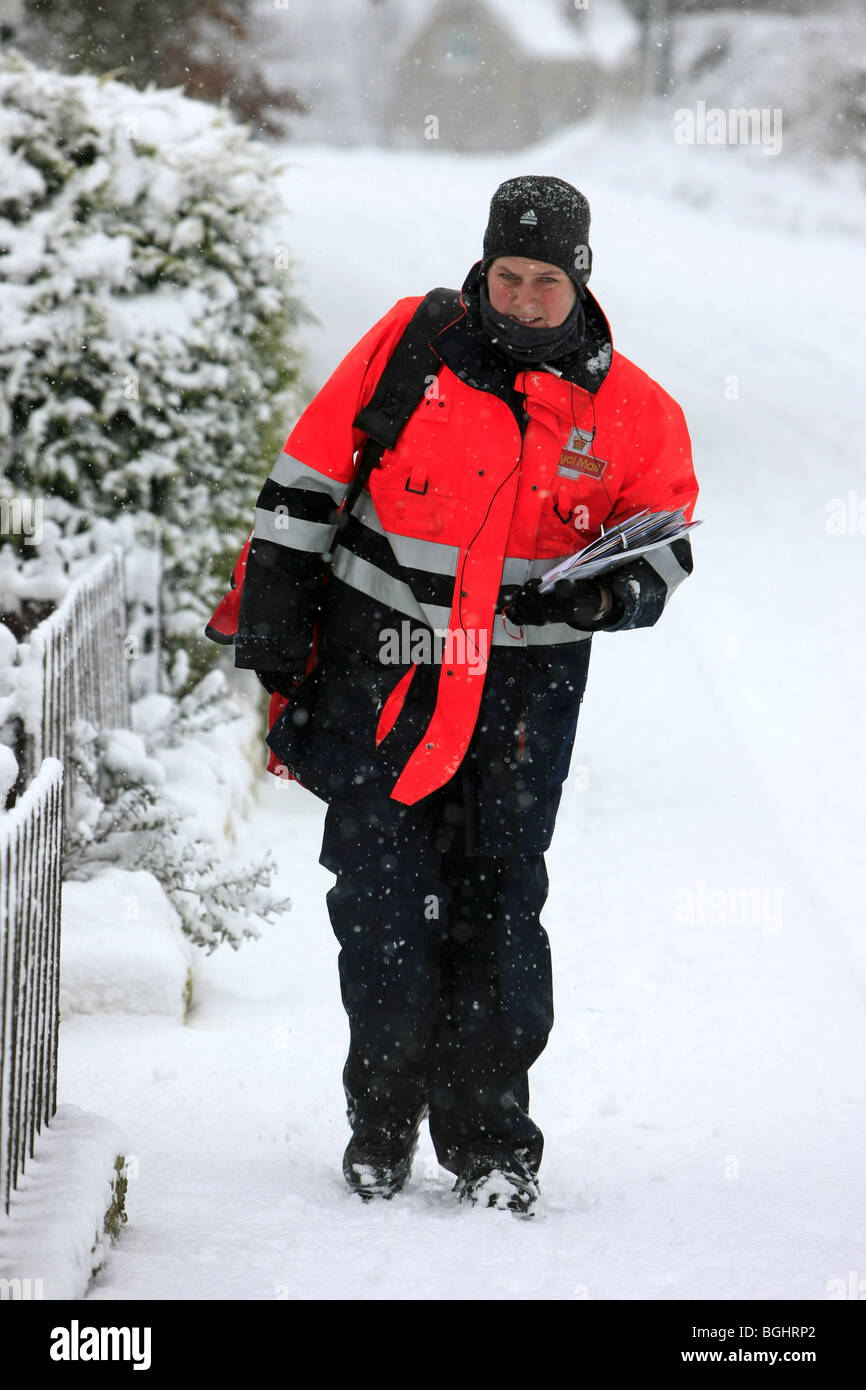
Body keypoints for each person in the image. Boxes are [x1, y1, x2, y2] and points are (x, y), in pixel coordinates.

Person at [225, 175, 699, 1216]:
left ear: (579, 281)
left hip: (519, 713)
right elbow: (305, 484)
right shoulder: (409, 345)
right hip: (379, 687)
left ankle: (492, 1147)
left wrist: (620, 592)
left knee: (496, 916)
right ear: (480, 268)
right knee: (381, 913)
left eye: (543, 281)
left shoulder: (633, 412)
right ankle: (380, 1128)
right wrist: (270, 639)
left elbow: (666, 547)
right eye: (504, 276)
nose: (522, 299)